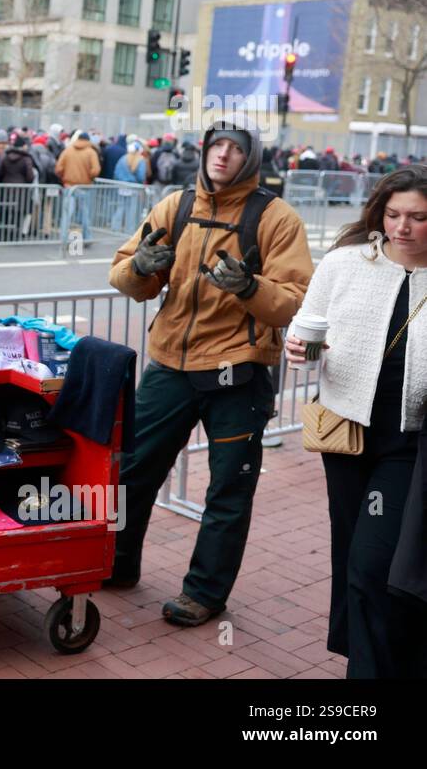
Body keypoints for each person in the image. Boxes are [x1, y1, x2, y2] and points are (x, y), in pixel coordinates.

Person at [106, 119, 314, 625]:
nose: (222, 155)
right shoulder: (174, 206)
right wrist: (140, 268)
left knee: (228, 490)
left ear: (251, 157)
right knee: (131, 474)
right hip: (170, 368)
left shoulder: (275, 217)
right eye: (215, 145)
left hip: (236, 375)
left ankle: (203, 593)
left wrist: (248, 288)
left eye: (234, 148)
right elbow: (124, 274)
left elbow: (295, 303)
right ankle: (115, 564)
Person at [284, 167, 427, 678]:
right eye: (393, 215)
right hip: (345, 431)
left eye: (417, 217)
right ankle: (367, 654)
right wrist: (296, 347)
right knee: (352, 550)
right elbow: (304, 327)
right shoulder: (345, 263)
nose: (402, 227)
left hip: (408, 441)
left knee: (375, 561)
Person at [57, 128, 101, 244]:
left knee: (67, 214)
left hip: (69, 186)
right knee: (85, 214)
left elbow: (58, 168)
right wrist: (89, 177)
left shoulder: (68, 150)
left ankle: (63, 239)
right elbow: (95, 170)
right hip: (84, 187)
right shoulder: (91, 152)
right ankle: (87, 238)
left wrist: (64, 178)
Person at [110, 140, 148, 233]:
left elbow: (116, 173)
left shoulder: (123, 158)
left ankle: (115, 227)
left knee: (120, 207)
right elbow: (141, 176)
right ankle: (129, 229)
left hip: (122, 187)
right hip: (134, 188)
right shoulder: (140, 160)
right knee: (132, 209)